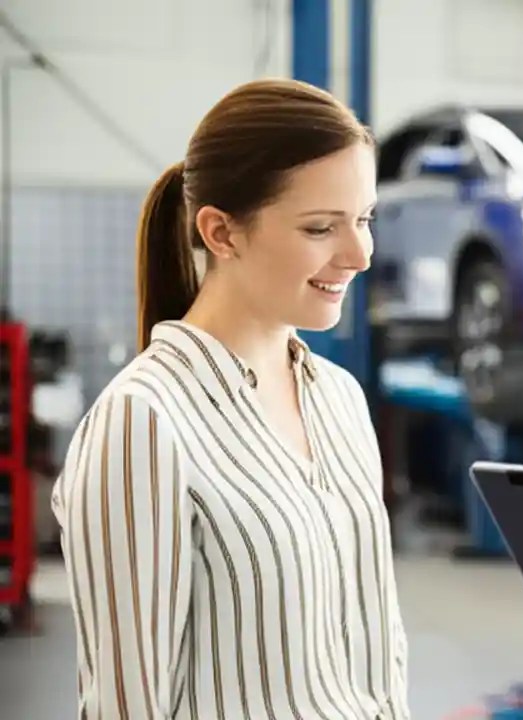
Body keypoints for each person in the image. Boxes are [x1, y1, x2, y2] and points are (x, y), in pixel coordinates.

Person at [50, 78, 410, 718]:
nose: (359, 254)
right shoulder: (144, 421)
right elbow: (126, 704)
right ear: (220, 232)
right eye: (321, 227)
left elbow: (379, 667)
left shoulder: (340, 400)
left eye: (364, 219)